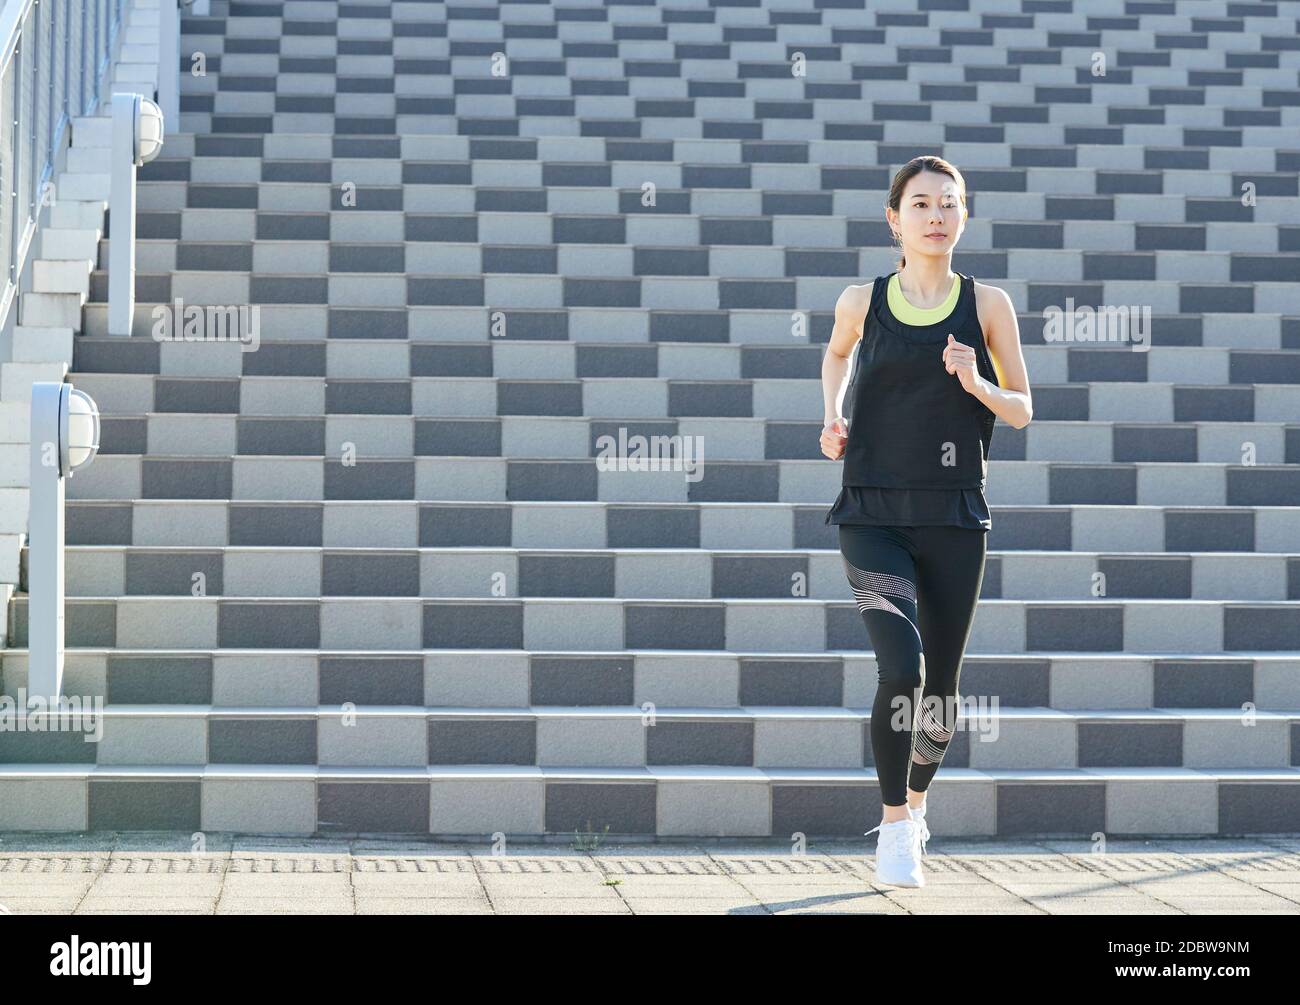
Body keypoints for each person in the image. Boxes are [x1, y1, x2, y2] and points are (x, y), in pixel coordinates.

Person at [819, 155, 1034, 888]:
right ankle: (893, 825)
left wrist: (975, 380)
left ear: (964, 216)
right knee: (901, 668)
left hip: (954, 515)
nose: (935, 214)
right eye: (920, 203)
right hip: (873, 510)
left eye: (949, 203)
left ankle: (916, 802)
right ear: (894, 218)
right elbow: (837, 354)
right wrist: (832, 413)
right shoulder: (861, 299)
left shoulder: (987, 306)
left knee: (940, 689)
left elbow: (1023, 409)